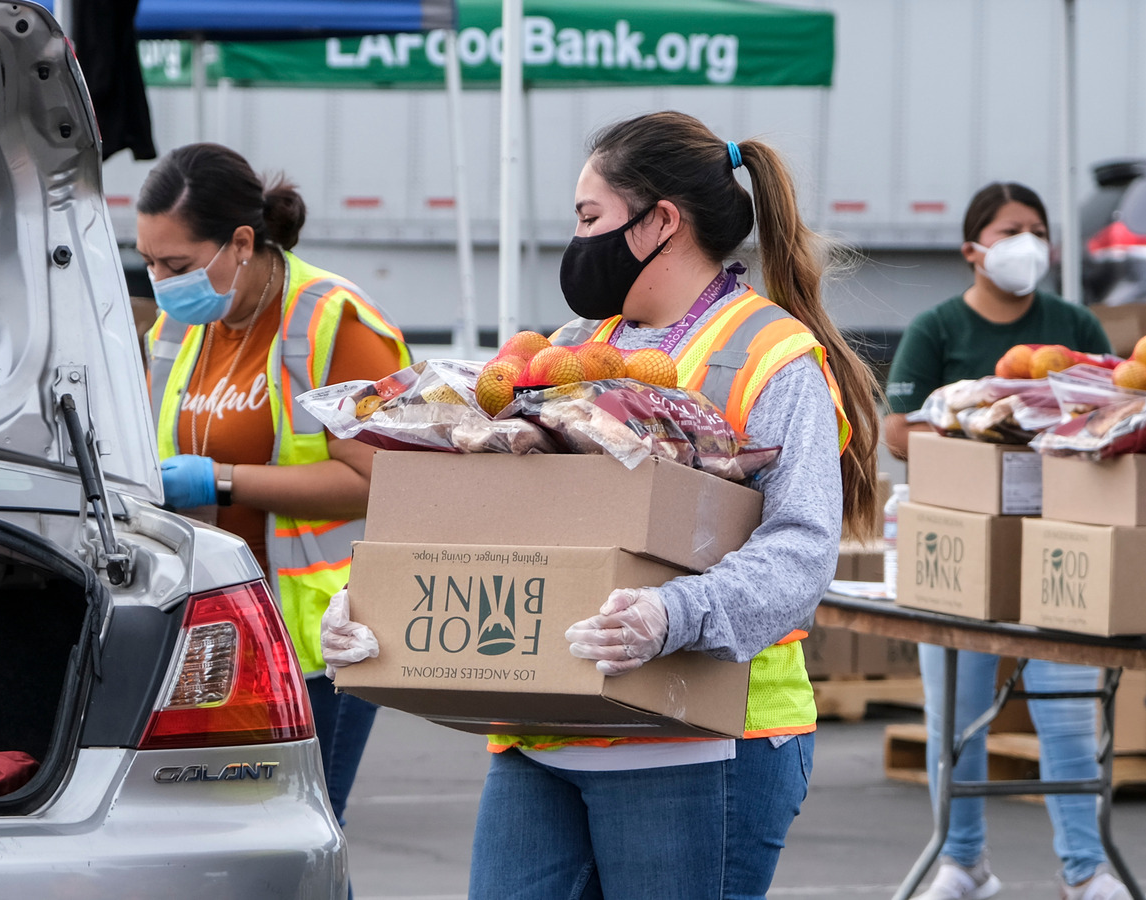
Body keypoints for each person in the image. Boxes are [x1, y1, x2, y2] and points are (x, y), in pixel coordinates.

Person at [322, 111, 882, 899]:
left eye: (590, 219)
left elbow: (801, 547)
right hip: (547, 732)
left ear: (661, 222)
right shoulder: (571, 344)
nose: (577, 240)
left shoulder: (771, 356)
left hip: (702, 738)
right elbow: (507, 512)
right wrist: (378, 602)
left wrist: (673, 615)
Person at [136, 143, 410, 849]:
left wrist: (221, 480)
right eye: (149, 262)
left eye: (176, 264)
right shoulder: (178, 324)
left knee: (300, 840)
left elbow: (381, 482)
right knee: (223, 844)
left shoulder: (333, 321)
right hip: (210, 631)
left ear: (242, 242)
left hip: (324, 634)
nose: (159, 282)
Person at [883, 183, 1144, 900]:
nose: (1026, 243)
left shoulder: (1074, 325)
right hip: (963, 546)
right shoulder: (938, 328)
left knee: (1067, 707)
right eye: (1010, 230)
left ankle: (1084, 868)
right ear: (973, 249)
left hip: (1058, 537)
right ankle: (962, 860)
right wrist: (982, 426)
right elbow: (899, 432)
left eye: (1037, 229)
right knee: (957, 717)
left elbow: (1111, 416)